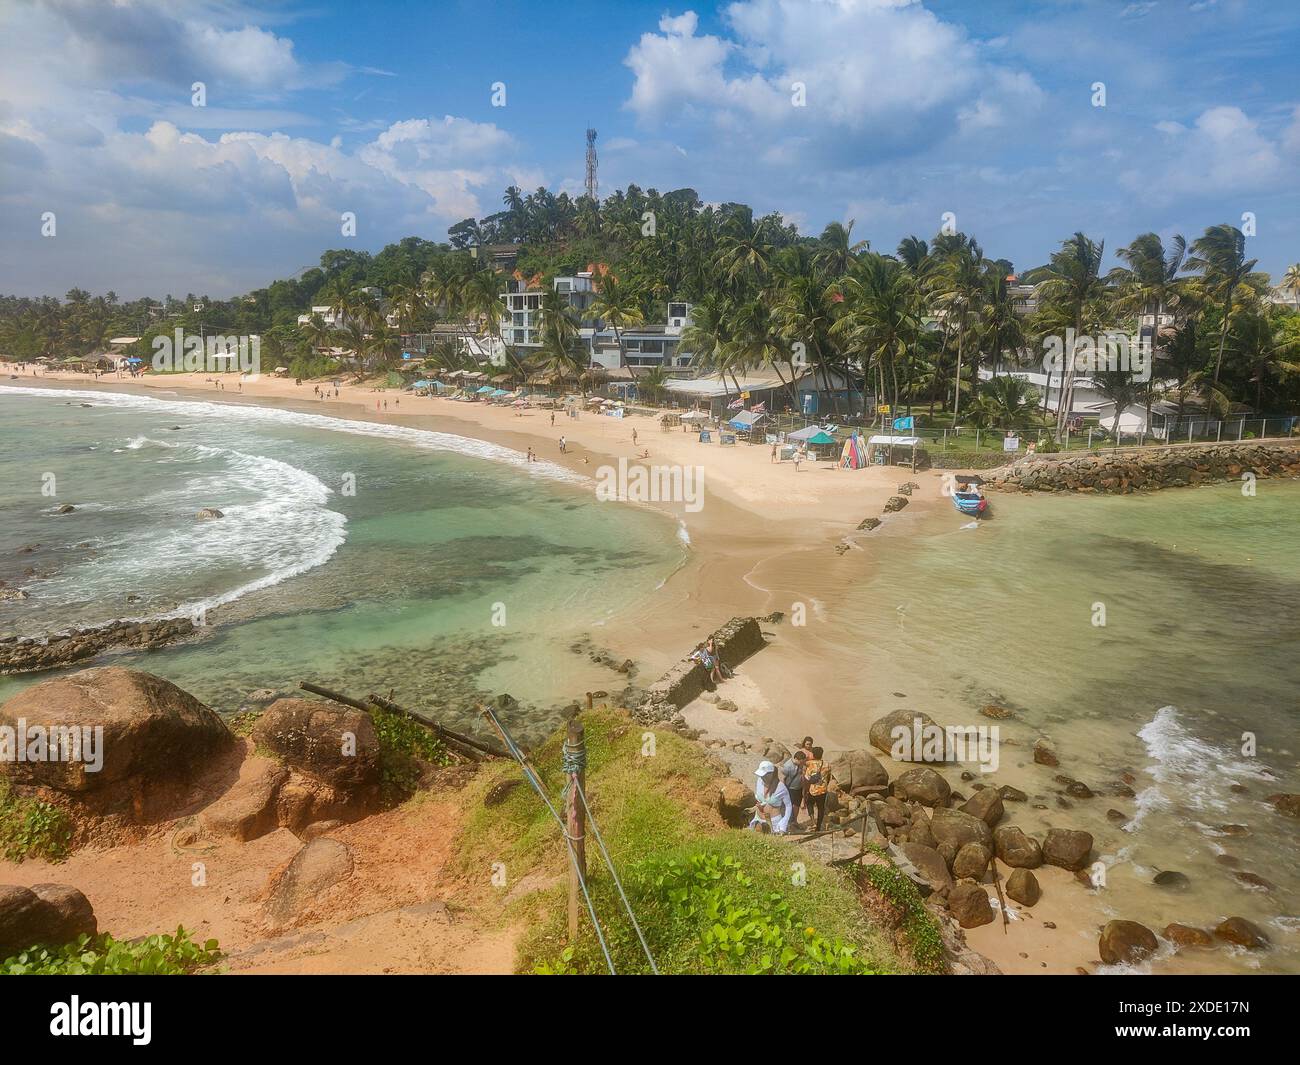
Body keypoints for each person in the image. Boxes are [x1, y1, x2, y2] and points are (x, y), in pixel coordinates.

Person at [749, 761, 792, 835]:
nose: (762, 777)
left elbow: (788, 806)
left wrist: (783, 824)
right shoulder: (759, 781)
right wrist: (760, 805)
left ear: (771, 774)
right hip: (758, 819)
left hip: (774, 823)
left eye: (764, 775)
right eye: (761, 775)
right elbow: (760, 798)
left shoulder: (781, 787)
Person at [804, 746, 831, 831]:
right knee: (821, 807)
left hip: (813, 790)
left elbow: (807, 778)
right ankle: (818, 827)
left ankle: (813, 822)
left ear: (813, 754)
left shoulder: (811, 765)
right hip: (823, 789)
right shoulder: (827, 764)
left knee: (809, 803)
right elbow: (829, 777)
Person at [780, 750, 808, 831]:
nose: (802, 764)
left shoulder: (801, 765)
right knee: (787, 806)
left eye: (803, 762)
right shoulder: (787, 766)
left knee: (796, 805)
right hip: (789, 789)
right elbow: (783, 779)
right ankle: (786, 823)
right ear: (796, 759)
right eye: (801, 762)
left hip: (798, 788)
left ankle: (795, 821)